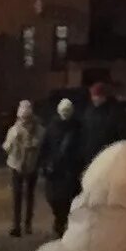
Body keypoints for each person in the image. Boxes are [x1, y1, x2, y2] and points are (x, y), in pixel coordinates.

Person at [37, 95, 87, 238]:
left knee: (68, 200)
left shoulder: (77, 128)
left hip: (69, 171)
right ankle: (60, 220)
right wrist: (44, 165)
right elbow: (44, 148)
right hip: (55, 171)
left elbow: (82, 148)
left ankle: (63, 224)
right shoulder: (52, 128)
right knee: (54, 199)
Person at [2, 100, 43, 238]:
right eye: (22, 118)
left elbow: (41, 147)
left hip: (31, 166)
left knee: (28, 196)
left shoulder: (39, 131)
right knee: (17, 196)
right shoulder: (14, 130)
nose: (24, 122)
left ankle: (27, 224)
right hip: (16, 165)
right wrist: (14, 142)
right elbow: (6, 147)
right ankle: (17, 225)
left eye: (26, 118)